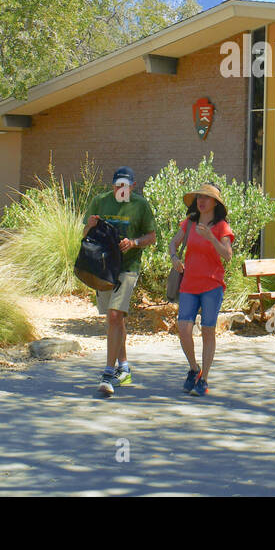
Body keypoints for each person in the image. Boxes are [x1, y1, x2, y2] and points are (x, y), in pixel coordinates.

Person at [84, 165, 156, 397]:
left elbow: (152, 237)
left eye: (125, 186)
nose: (121, 190)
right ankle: (124, 367)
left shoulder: (140, 205)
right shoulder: (100, 201)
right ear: (112, 185)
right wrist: (90, 226)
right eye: (117, 186)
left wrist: (133, 243)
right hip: (104, 267)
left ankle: (108, 373)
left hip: (128, 267)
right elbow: (85, 234)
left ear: (133, 186)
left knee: (115, 315)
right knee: (114, 319)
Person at [167, 182, 234, 396]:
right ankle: (194, 368)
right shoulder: (189, 222)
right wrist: (174, 258)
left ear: (215, 202)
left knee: (207, 330)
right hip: (189, 283)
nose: (201, 201)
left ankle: (203, 379)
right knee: (183, 329)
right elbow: (173, 243)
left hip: (212, 285)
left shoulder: (222, 226)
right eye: (199, 198)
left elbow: (228, 255)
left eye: (206, 198)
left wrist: (211, 238)